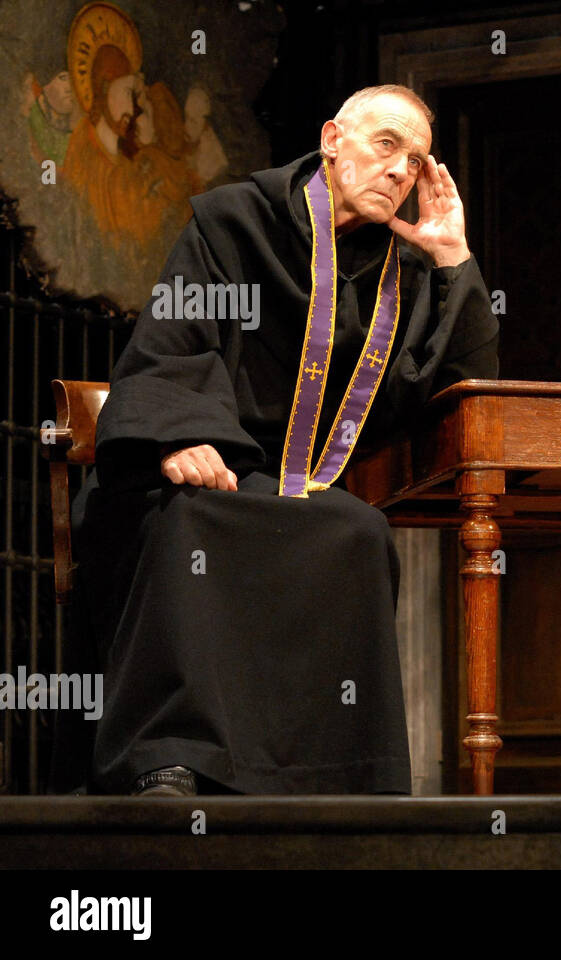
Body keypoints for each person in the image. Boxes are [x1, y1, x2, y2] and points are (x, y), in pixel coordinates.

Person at [54, 84, 498, 796]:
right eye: (386, 145)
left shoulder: (403, 271)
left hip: (301, 489)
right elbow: (171, 341)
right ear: (331, 138)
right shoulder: (235, 222)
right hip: (193, 462)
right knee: (187, 513)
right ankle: (174, 757)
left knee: (357, 532)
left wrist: (453, 260)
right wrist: (179, 435)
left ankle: (343, 781)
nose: (399, 171)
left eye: (415, 162)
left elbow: (462, 388)